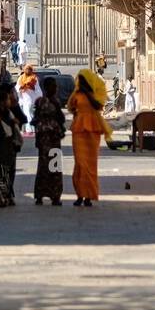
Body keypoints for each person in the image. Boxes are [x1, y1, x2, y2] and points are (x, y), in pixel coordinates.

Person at [67, 68, 112, 207]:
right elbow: (70, 107)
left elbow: (98, 105)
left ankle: (88, 196)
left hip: (93, 130)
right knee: (80, 164)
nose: (78, 82)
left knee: (90, 165)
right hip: (79, 130)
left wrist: (87, 94)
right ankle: (80, 195)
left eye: (81, 80)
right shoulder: (76, 94)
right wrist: (76, 112)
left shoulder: (96, 93)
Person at [33, 76, 65, 206]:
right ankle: (55, 196)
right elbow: (61, 119)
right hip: (52, 138)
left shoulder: (39, 102)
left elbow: (35, 119)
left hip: (43, 137)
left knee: (43, 166)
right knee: (54, 167)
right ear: (49, 88)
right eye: (54, 86)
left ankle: (40, 195)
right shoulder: (54, 102)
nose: (56, 89)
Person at [16, 63, 42, 134]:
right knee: (26, 113)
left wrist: (30, 87)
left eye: (29, 69)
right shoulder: (21, 77)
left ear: (31, 70)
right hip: (24, 98)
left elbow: (37, 89)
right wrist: (21, 88)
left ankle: (30, 129)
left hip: (31, 98)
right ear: (24, 70)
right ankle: (30, 128)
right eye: (26, 69)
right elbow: (17, 87)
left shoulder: (34, 78)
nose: (28, 70)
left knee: (28, 112)